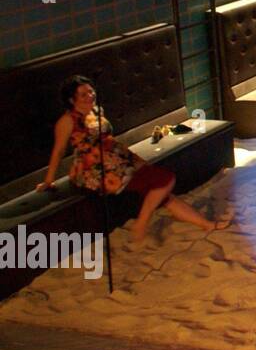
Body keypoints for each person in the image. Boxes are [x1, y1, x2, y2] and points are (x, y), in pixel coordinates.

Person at [37, 76, 226, 243]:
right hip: (96, 169)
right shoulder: (67, 121)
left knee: (162, 193)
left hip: (119, 159)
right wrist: (48, 181)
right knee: (165, 180)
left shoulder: (96, 110)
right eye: (83, 94)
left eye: (90, 91)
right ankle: (141, 223)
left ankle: (206, 224)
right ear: (72, 99)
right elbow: (59, 151)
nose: (90, 96)